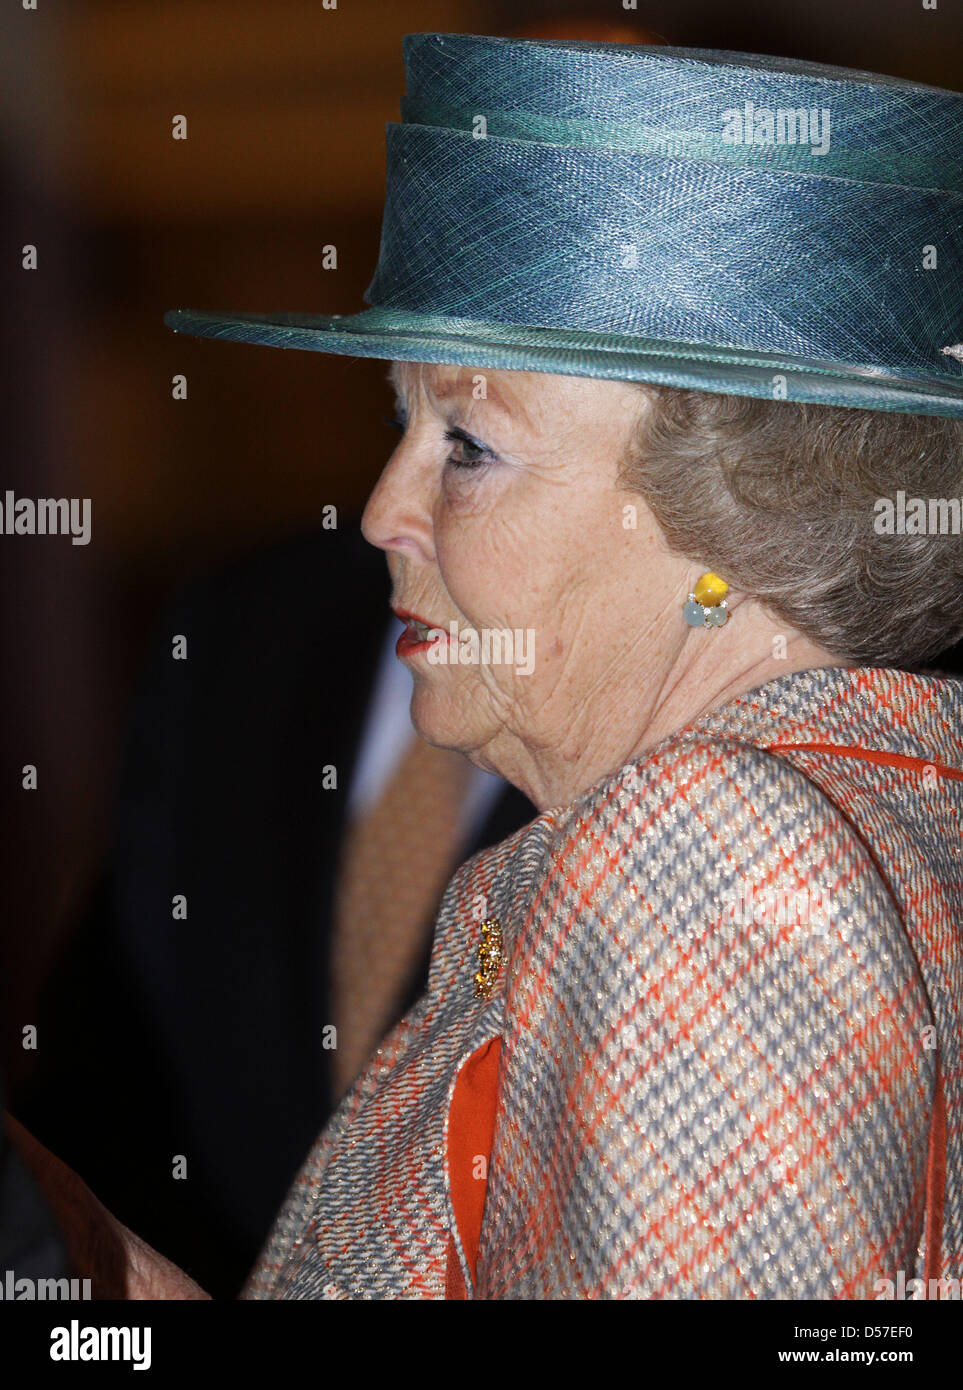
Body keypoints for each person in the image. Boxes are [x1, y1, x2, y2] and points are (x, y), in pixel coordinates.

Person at [13, 31, 963, 1299]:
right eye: (402, 423)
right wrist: (73, 1259)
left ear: (729, 510)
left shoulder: (720, 863)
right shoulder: (833, 814)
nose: (379, 508)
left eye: (467, 443)